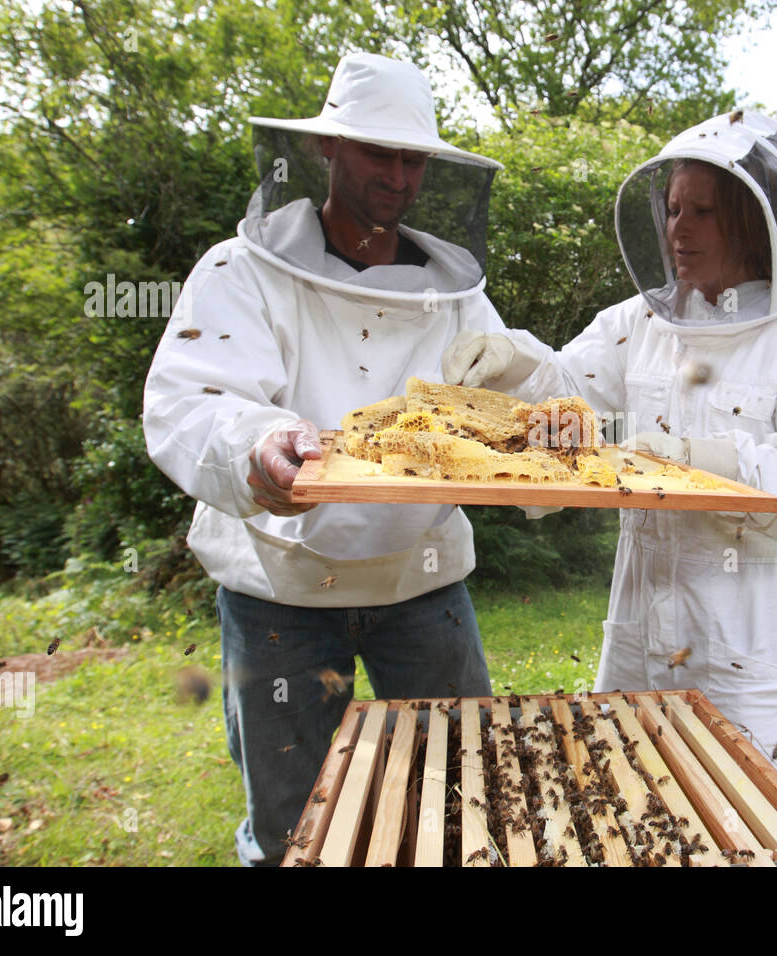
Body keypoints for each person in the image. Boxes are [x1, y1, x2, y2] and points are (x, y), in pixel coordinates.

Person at [143, 53, 533, 865]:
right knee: (296, 825)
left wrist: (518, 411)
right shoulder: (239, 270)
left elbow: (508, 404)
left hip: (422, 582)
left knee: (463, 785)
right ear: (328, 150)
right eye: (377, 154)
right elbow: (189, 399)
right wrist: (256, 450)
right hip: (278, 587)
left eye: (412, 158)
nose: (397, 176)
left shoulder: (455, 292)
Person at [442, 111, 777, 797]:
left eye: (703, 212)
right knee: (626, 818)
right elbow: (571, 386)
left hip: (749, 662)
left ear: (758, 223)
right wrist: (517, 360)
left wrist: (696, 458)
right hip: (640, 644)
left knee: (745, 832)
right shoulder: (643, 321)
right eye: (672, 210)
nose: (678, 229)